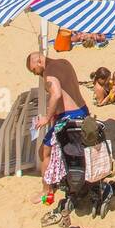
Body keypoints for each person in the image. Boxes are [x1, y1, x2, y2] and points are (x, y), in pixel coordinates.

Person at [25, 52, 91, 204]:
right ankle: (63, 179)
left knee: (44, 151)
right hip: (82, 110)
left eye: (34, 70)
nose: (36, 74)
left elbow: (56, 95)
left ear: (40, 61)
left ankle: (46, 192)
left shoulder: (49, 72)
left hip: (68, 117)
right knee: (75, 151)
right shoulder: (64, 62)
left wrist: (47, 117)